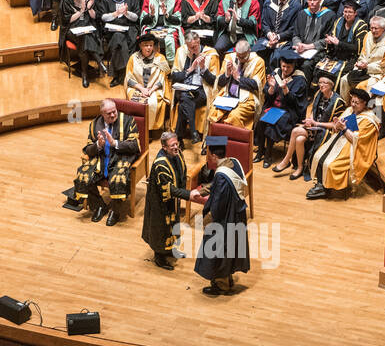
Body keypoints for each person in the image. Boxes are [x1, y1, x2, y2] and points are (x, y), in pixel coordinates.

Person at [69, 98, 143, 225]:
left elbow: (135, 146)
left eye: (114, 111)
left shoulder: (128, 121)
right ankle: (99, 206)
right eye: (109, 113)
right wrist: (98, 145)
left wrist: (115, 143)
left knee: (118, 178)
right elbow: (88, 150)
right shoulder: (94, 125)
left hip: (120, 158)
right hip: (101, 159)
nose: (113, 115)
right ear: (102, 114)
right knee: (83, 176)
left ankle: (115, 211)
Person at [194, 135, 251, 296]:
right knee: (230, 249)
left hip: (226, 218)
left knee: (219, 250)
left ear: (213, 155)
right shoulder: (233, 163)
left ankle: (221, 284)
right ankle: (227, 278)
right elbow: (218, 188)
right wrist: (201, 192)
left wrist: (208, 218)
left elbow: (218, 203)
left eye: (208, 154)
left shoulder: (221, 176)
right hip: (237, 214)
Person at [142, 131, 194, 269]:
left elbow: (182, 173)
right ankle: (159, 256)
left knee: (173, 225)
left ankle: (171, 249)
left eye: (177, 143)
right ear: (164, 147)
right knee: (161, 228)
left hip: (173, 201)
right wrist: (188, 194)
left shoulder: (177, 153)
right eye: (172, 145)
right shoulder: (161, 164)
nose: (176, 147)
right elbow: (169, 189)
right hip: (160, 202)